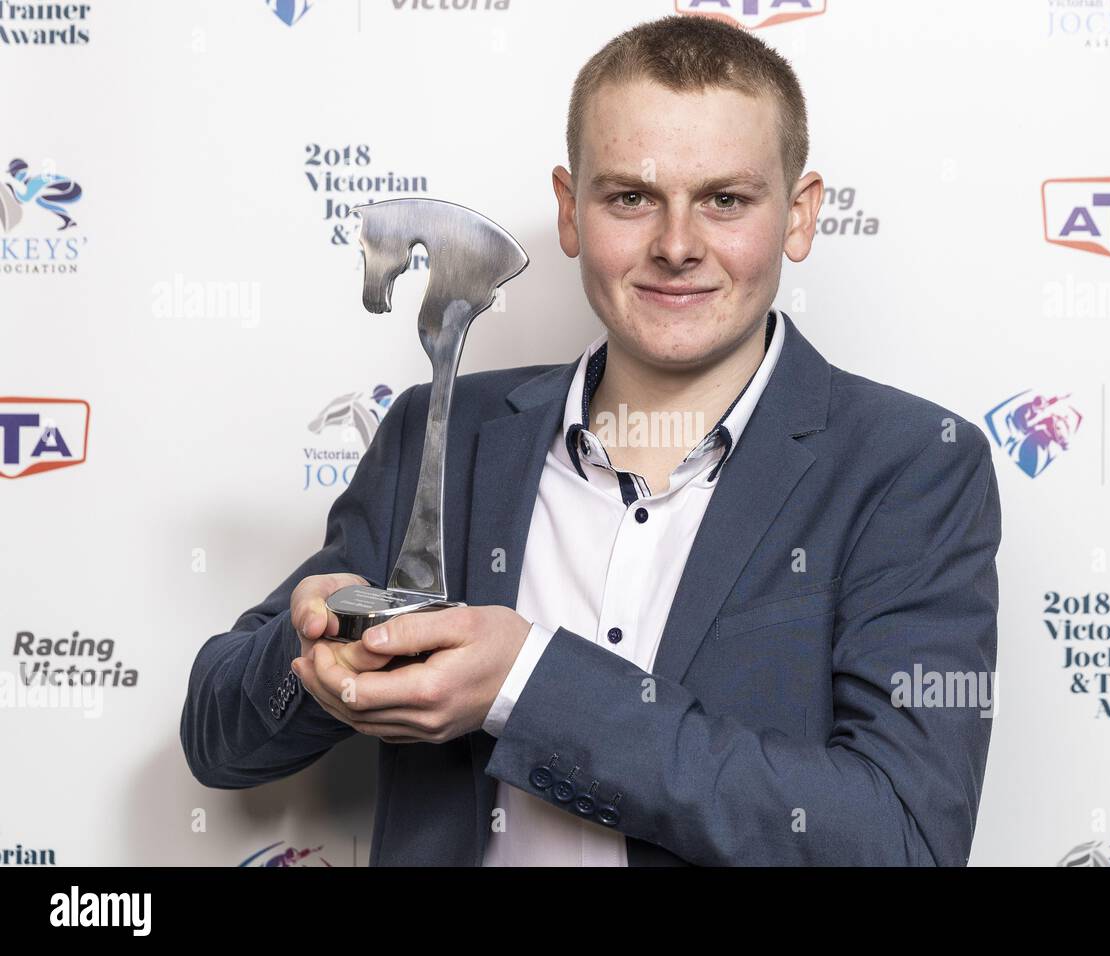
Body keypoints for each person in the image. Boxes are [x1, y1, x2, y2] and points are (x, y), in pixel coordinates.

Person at [180, 14, 1001, 867]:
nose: (677, 246)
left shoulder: (912, 467)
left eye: (725, 200)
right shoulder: (443, 433)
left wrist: (527, 684)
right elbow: (219, 742)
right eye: (631, 198)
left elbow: (902, 839)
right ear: (571, 212)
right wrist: (317, 655)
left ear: (798, 215)